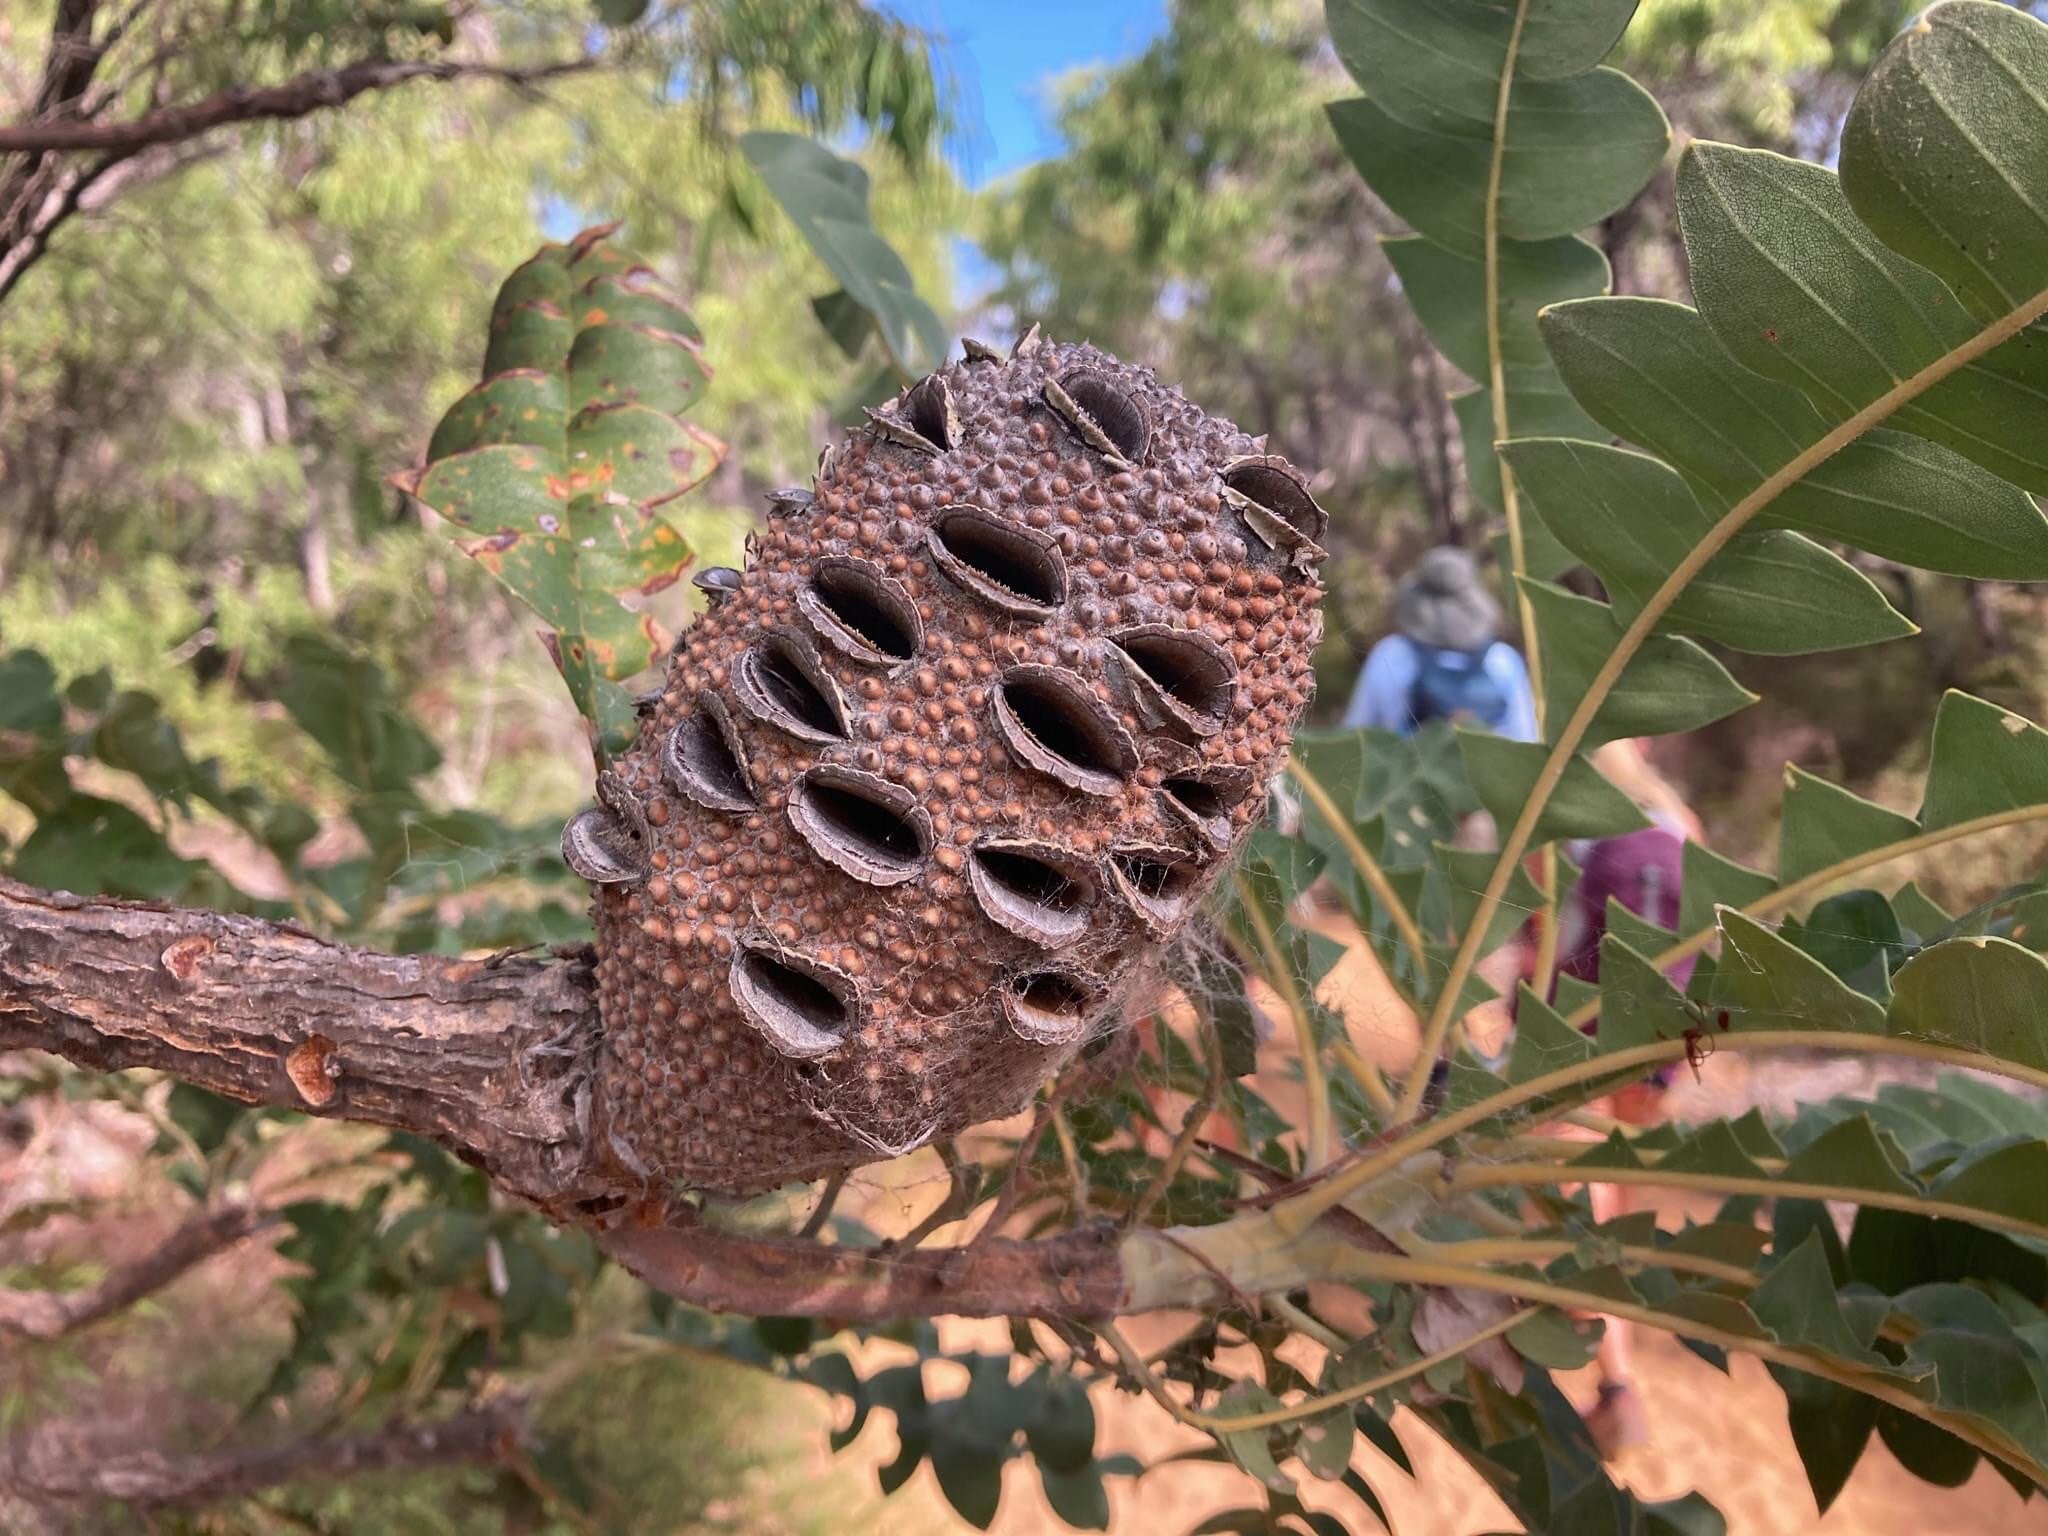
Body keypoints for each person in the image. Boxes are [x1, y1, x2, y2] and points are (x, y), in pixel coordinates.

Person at [1341, 545, 1538, 743]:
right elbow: (1525, 739)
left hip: (1406, 763)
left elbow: (1355, 736)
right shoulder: (1503, 660)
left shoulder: (1391, 655)